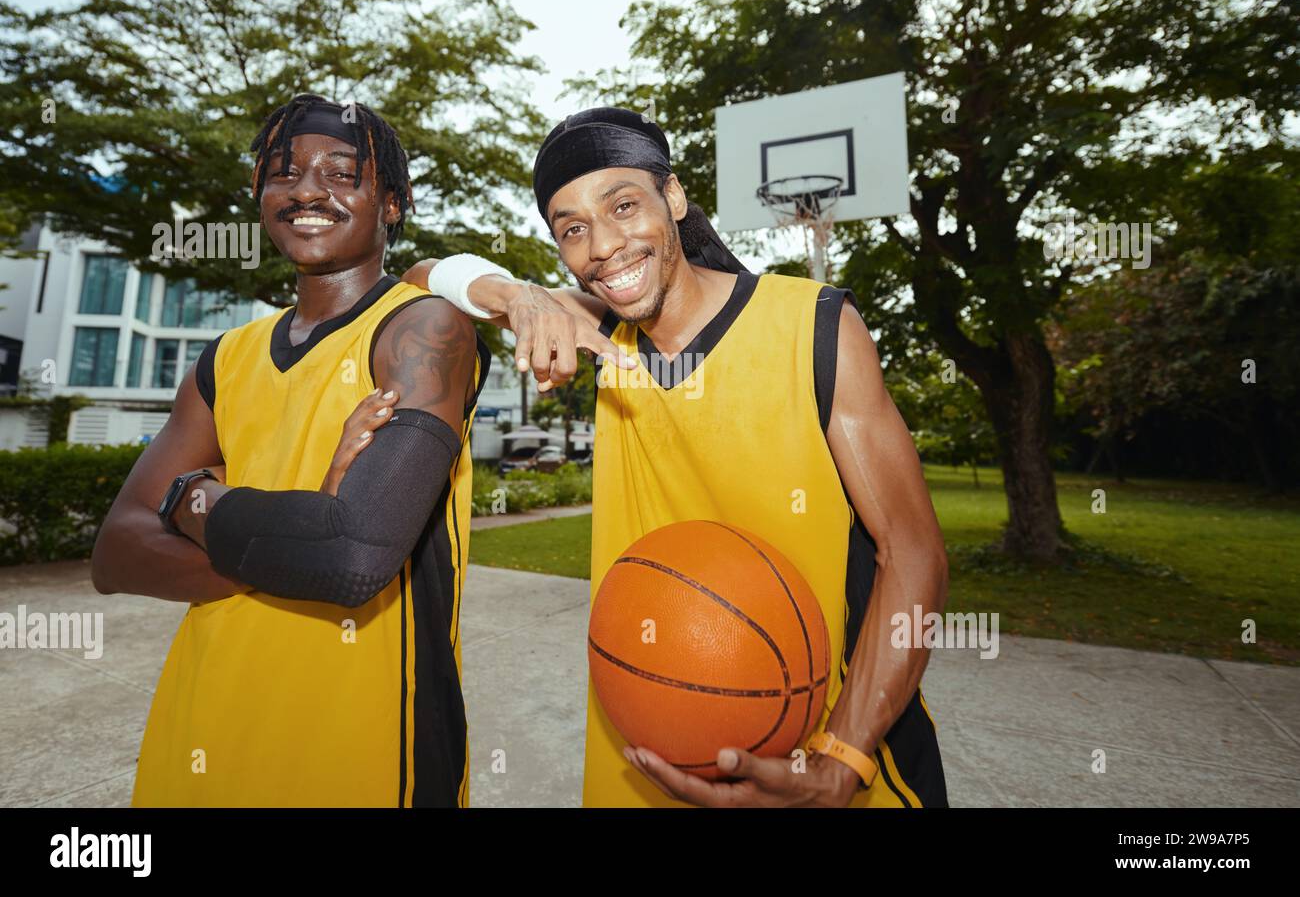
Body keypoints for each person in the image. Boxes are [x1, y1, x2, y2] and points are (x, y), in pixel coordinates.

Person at [394, 106, 949, 807]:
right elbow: (418, 276)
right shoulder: (597, 332)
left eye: (624, 205)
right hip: (646, 740)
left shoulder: (813, 325)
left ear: (674, 199)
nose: (603, 245)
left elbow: (916, 551)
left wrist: (841, 757)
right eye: (571, 228)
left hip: (821, 739)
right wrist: (520, 298)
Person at [91, 94, 490, 807]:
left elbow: (351, 557)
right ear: (260, 192)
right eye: (286, 172)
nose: (308, 190)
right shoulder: (227, 356)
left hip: (365, 745)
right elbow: (115, 553)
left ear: (392, 203)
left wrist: (193, 500)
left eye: (342, 173)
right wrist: (296, 525)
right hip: (202, 722)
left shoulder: (425, 329)